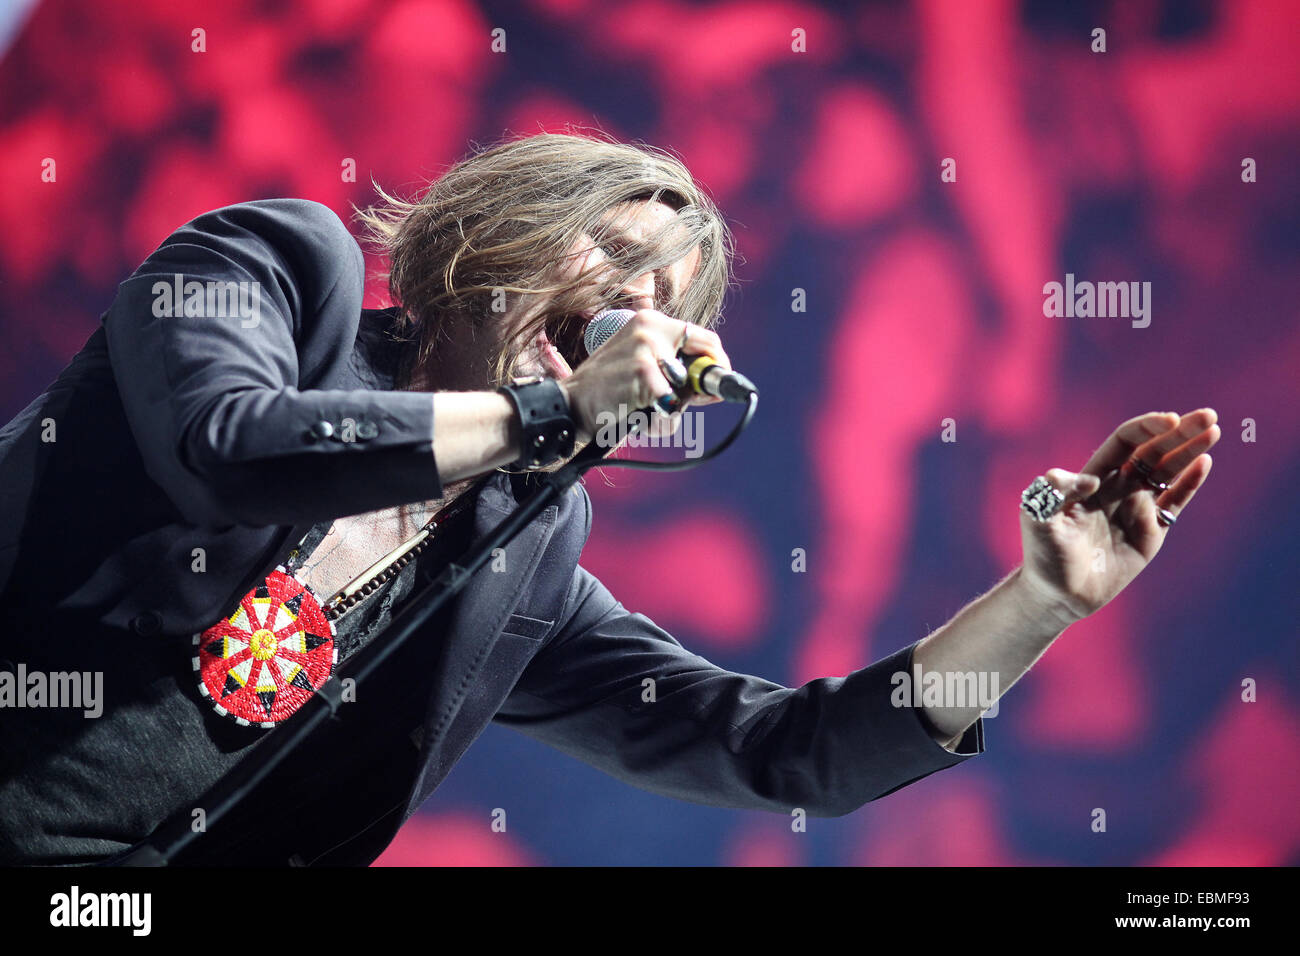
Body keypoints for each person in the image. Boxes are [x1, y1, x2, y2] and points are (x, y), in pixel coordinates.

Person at [0, 132, 1218, 865]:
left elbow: (779, 750)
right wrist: (548, 416)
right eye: (619, 262)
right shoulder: (278, 266)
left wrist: (1039, 604)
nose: (640, 314)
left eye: (669, 306)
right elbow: (232, 445)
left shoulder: (510, 561)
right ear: (491, 234)